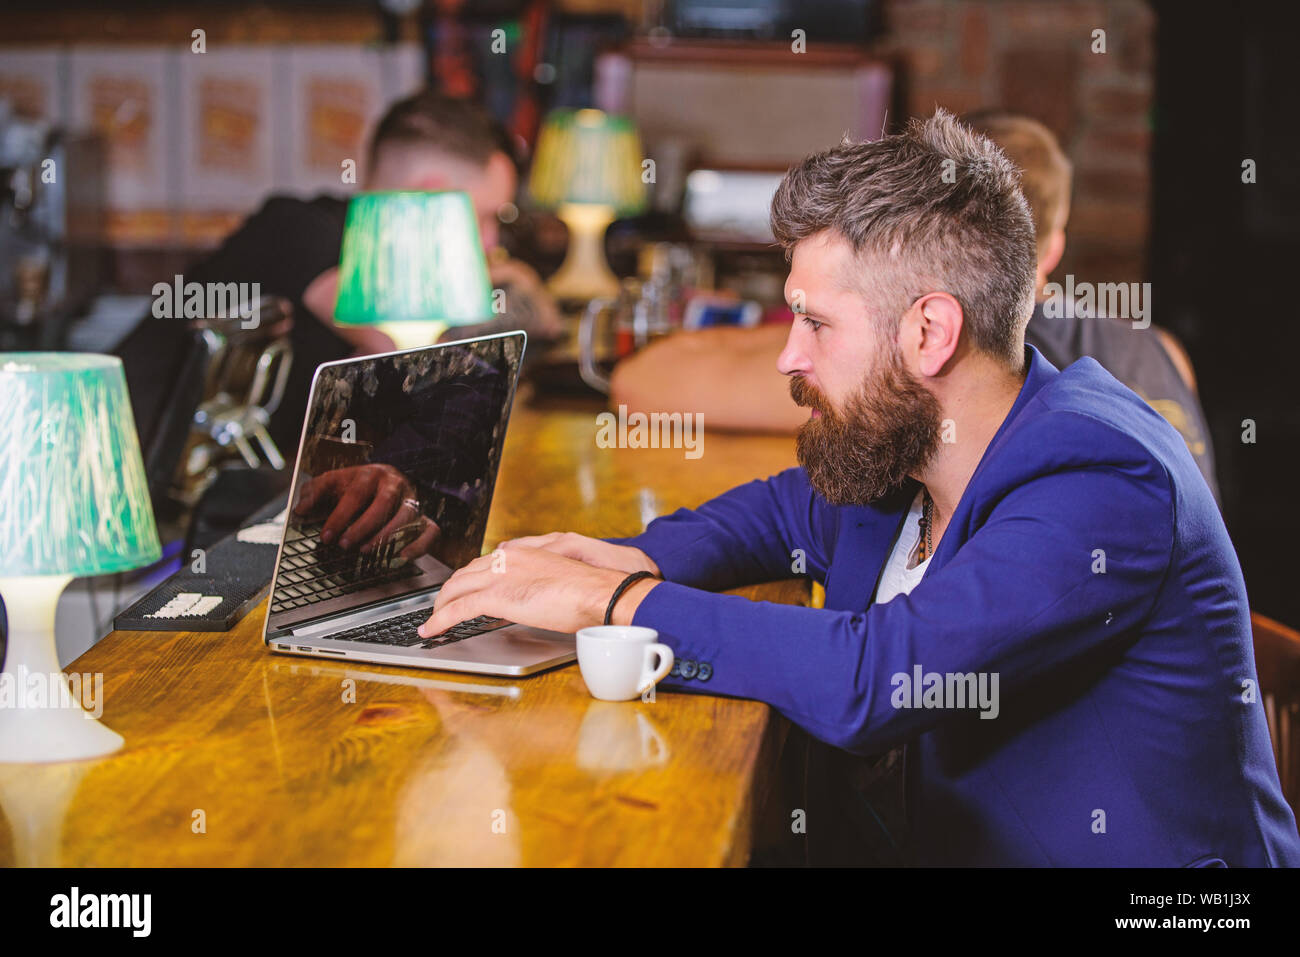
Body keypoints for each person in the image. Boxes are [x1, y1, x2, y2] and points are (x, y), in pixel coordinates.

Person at [415, 110, 1300, 866]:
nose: (788, 355)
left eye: (815, 321)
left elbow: (883, 677)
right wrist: (620, 555)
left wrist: (616, 601)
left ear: (930, 332)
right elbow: (777, 510)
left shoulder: (1101, 476)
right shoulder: (909, 453)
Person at [610, 112, 1221, 504]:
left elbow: (639, 384)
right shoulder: (1163, 349)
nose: (796, 354)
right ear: (1051, 247)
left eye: (817, 325)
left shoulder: (955, 374)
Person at [123, 90, 562, 459]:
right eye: (484, 217)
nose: (490, 243)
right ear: (432, 196)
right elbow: (403, 352)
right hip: (128, 475)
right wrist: (513, 284)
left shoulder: (365, 253)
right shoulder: (298, 230)